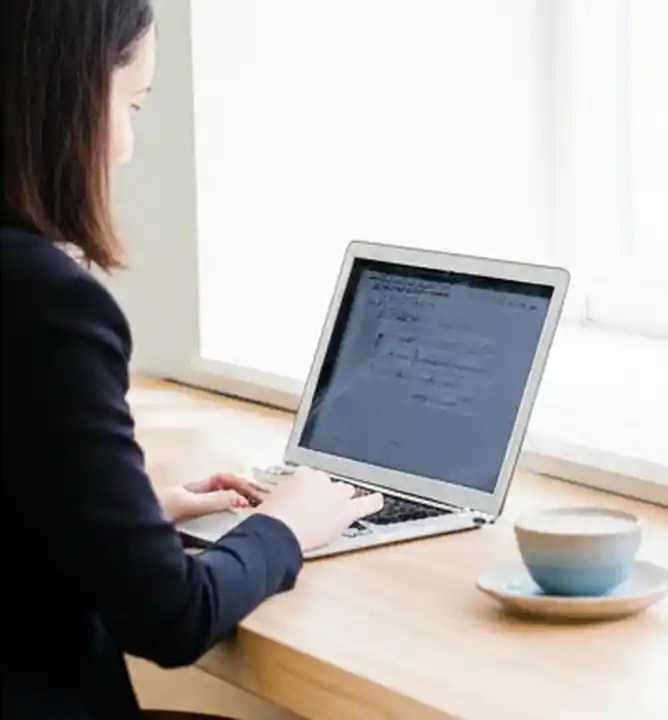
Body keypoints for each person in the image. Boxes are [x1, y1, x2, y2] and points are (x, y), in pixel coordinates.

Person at [0, 2, 384, 717]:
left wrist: (127, 523)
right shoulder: (45, 304)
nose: (125, 147)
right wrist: (287, 527)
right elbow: (171, 619)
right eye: (132, 103)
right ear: (63, 98)